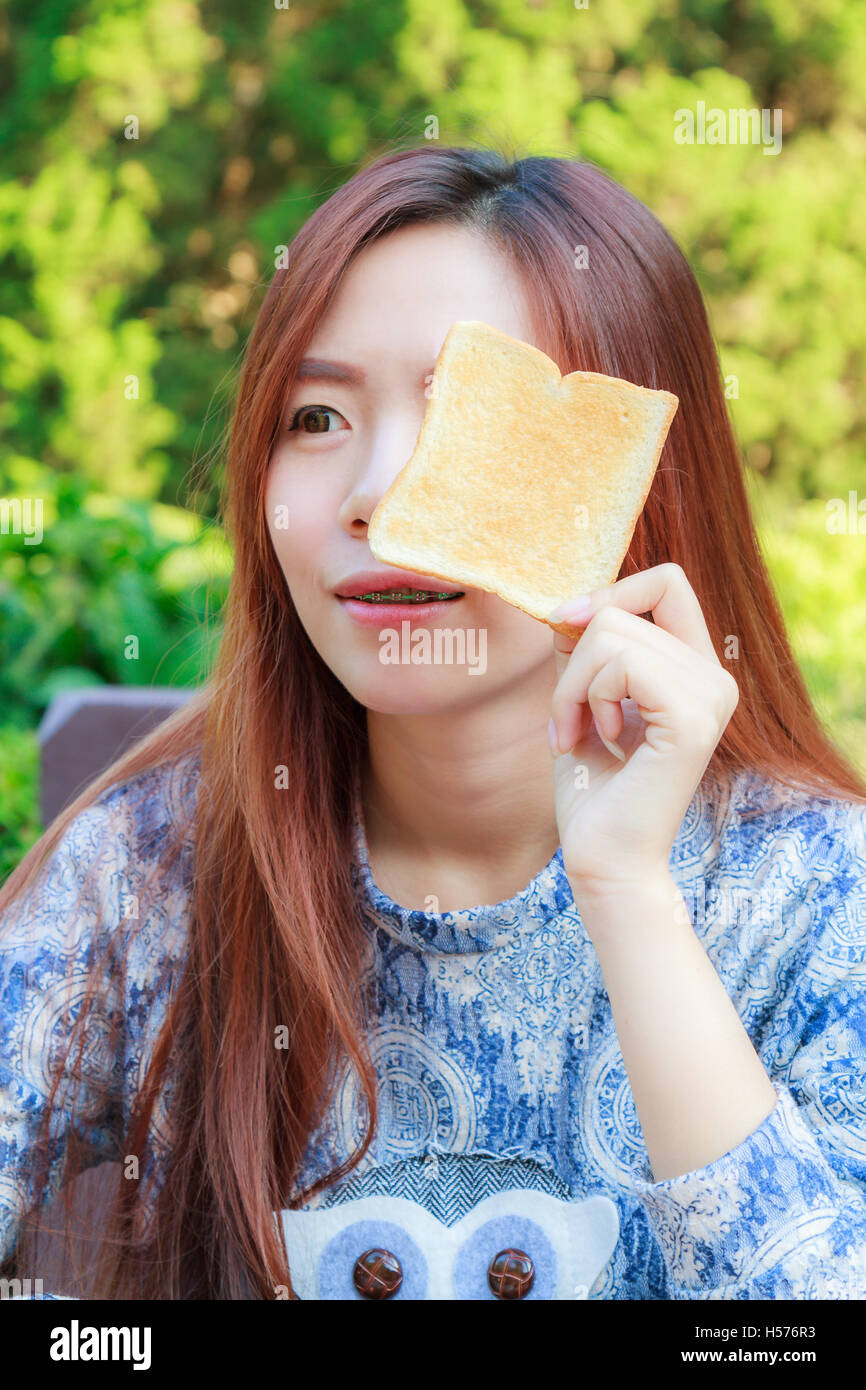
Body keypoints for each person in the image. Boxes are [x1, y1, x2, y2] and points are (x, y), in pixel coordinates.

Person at [1, 143, 865, 1302]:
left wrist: (629, 899)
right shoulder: (144, 877)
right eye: (314, 416)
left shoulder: (815, 896)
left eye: (469, 416)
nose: (373, 489)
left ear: (628, 477)